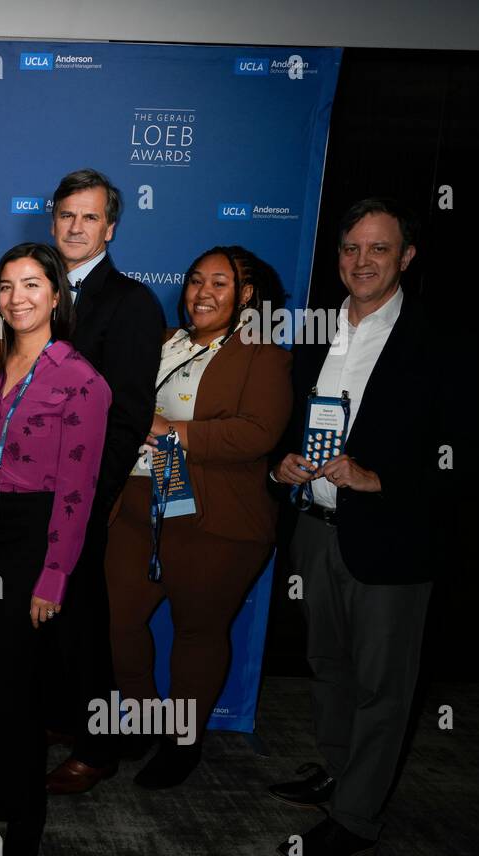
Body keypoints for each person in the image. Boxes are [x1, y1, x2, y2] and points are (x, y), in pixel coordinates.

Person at [268, 199, 449, 856]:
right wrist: (280, 462)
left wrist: (382, 480)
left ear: (405, 257)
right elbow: (293, 423)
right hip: (315, 530)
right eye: (351, 248)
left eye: (379, 249)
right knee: (329, 669)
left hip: (391, 541)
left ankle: (356, 815)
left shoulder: (439, 343)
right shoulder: (317, 331)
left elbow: (465, 452)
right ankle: (341, 774)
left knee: (382, 686)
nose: (362, 261)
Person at [0, 243, 110, 856]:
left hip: (33, 534)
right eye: (6, 287)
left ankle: (25, 815)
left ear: (56, 296)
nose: (17, 298)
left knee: (14, 684)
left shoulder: (81, 380)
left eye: (32, 285)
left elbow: (77, 491)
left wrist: (54, 574)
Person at [105, 246, 292, 787]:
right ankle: (141, 720)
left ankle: (182, 743)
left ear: (247, 296)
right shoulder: (165, 341)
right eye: (194, 281)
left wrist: (174, 431)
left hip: (215, 520)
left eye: (219, 283)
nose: (201, 293)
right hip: (139, 506)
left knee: (197, 632)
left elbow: (258, 432)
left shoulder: (262, 353)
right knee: (116, 621)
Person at [42, 168, 164, 796]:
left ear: (110, 228)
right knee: (47, 614)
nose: (76, 226)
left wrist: (93, 491)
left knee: (84, 619)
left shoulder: (132, 302)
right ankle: (65, 718)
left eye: (90, 217)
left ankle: (98, 748)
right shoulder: (33, 289)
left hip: (80, 492)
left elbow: (130, 410)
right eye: (67, 214)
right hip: (24, 488)